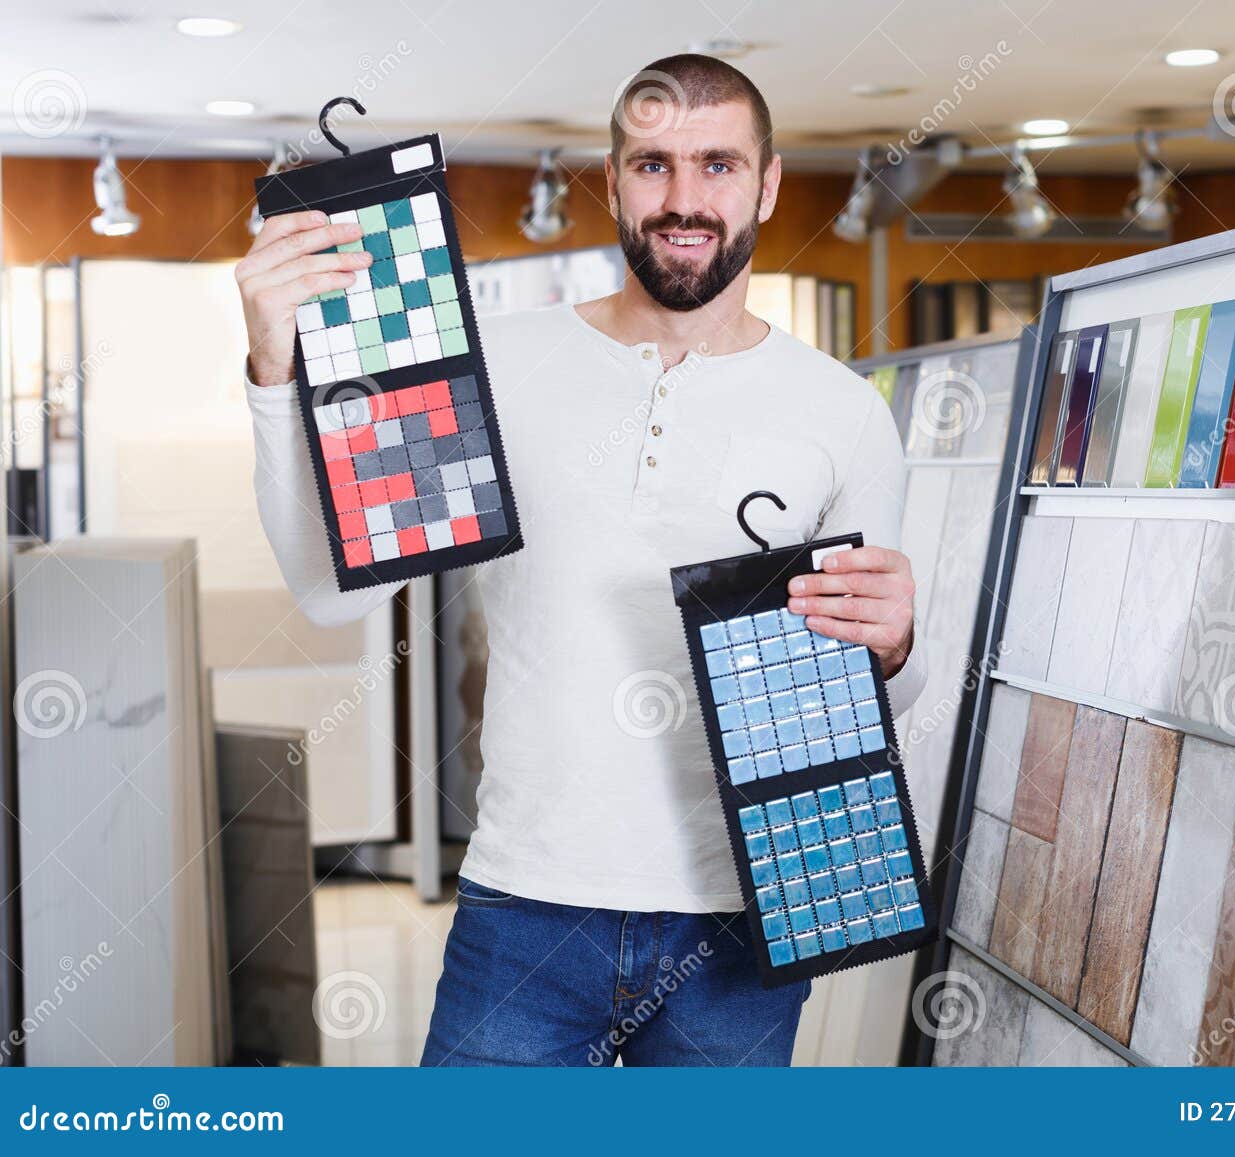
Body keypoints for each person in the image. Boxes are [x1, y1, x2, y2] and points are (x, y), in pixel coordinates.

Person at [236, 52, 925, 1066]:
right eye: (652, 165)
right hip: (523, 908)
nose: (683, 199)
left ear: (767, 182)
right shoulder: (500, 365)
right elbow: (334, 592)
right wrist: (270, 369)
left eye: (718, 165)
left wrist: (898, 646)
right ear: (609, 181)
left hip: (738, 924)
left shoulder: (844, 413)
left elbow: (880, 702)